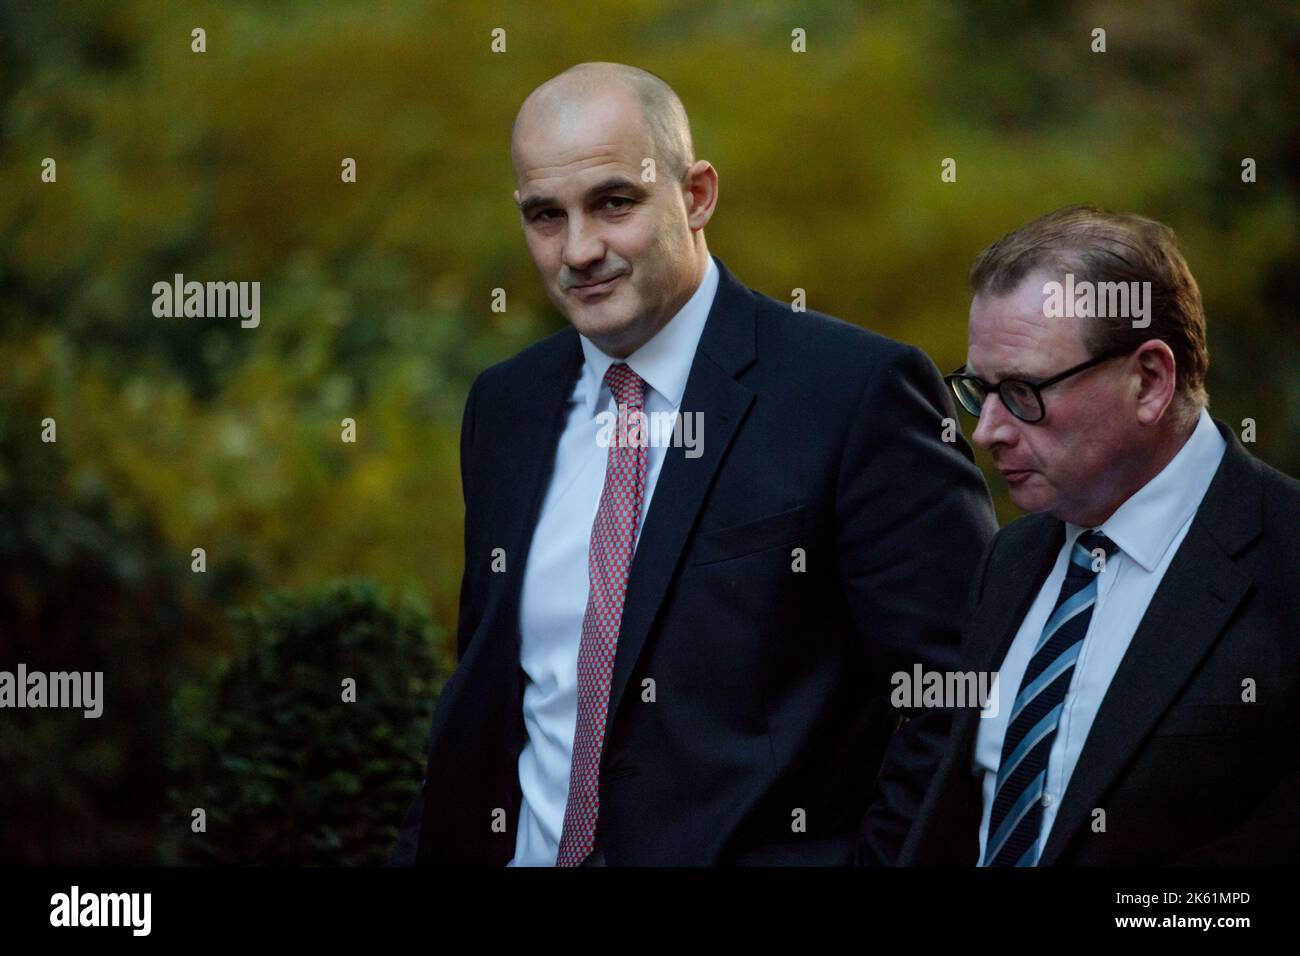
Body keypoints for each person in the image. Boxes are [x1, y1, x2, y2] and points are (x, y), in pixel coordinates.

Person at [391, 62, 996, 866]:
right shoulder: (507, 407)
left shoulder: (853, 394)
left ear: (698, 194)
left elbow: (956, 696)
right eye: (545, 216)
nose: (580, 250)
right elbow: (492, 696)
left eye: (614, 203)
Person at [901, 205, 1300, 866]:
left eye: (1023, 391)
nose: (987, 431)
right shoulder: (1011, 557)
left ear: (1149, 381)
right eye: (980, 391)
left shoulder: (1283, 559)